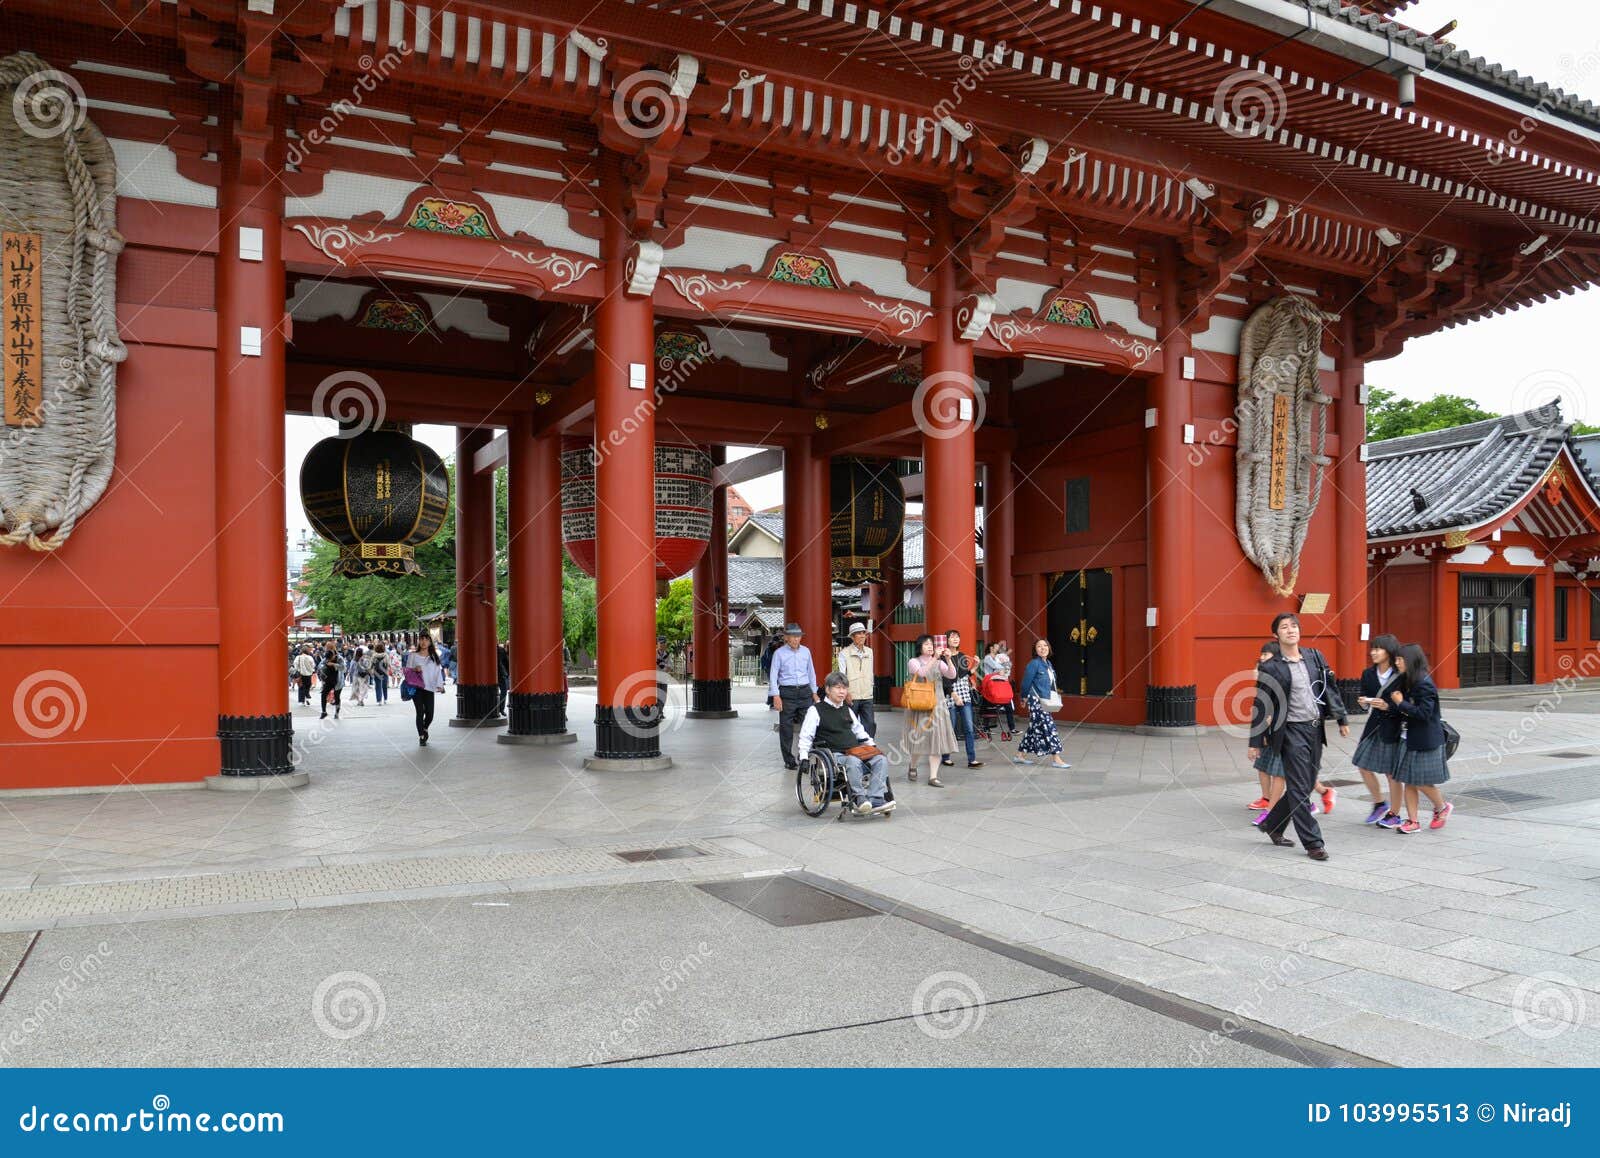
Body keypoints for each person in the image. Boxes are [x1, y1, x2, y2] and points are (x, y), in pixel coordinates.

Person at [1248, 612, 1350, 861]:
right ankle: (1313, 843)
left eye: (1294, 626)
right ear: (1276, 634)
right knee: (1300, 789)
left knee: (1303, 785)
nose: (1291, 630)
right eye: (1284, 627)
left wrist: (1341, 718)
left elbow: (1330, 689)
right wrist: (1255, 741)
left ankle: (1272, 824)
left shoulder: (1315, 657)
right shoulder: (1271, 667)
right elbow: (1261, 704)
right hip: (1290, 731)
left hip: (1315, 729)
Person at [1379, 644, 1454, 834]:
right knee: (1408, 780)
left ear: (1410, 660)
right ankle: (1413, 821)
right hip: (1408, 737)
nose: (1396, 663)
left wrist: (1400, 702)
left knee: (1420, 781)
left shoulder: (1423, 683)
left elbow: (1424, 714)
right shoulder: (1408, 680)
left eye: (1399, 659)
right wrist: (1388, 705)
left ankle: (1442, 806)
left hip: (1424, 739)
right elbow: (1402, 709)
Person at [796, 672, 893, 816]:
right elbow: (806, 736)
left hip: (855, 751)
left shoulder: (847, 710)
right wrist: (804, 757)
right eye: (838, 688)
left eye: (844, 688)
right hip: (834, 755)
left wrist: (872, 746)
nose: (842, 691)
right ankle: (859, 798)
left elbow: (860, 732)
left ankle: (875, 798)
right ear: (828, 689)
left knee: (881, 759)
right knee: (853, 761)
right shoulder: (815, 710)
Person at [1351, 633, 1405, 826]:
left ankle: (1395, 814)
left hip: (1394, 726)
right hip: (1373, 725)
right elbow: (1365, 698)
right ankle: (1379, 803)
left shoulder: (1401, 674)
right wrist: (1364, 703)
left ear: (1389, 651)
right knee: (1362, 764)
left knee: (1391, 773)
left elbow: (1407, 704)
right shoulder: (1368, 673)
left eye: (1377, 649)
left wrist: (1388, 706)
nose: (1372, 652)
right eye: (1372, 649)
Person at [903, 633, 958, 786]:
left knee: (937, 740)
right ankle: (913, 765)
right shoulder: (913, 662)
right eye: (926, 644)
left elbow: (952, 674)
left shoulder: (939, 662)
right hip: (920, 705)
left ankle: (933, 776)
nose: (930, 647)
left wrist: (948, 659)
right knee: (919, 740)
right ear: (919, 646)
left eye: (931, 644)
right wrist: (935, 659)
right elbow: (922, 673)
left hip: (938, 705)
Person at [768, 622, 819, 770]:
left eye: (798, 636)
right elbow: (773, 676)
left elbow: (811, 673)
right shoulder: (779, 653)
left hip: (804, 692)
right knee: (786, 728)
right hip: (787, 692)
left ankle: (805, 758)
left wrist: (814, 692)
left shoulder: (806, 652)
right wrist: (775, 696)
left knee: (809, 726)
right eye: (793, 636)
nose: (796, 639)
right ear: (786, 638)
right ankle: (789, 760)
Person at [1017, 639, 1071, 769]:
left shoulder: (1048, 664)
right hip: (1036, 700)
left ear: (1049, 647)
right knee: (1049, 727)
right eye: (1039, 646)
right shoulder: (1034, 664)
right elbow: (1026, 682)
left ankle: (1020, 755)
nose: (1042, 648)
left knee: (1034, 727)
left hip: (1045, 699)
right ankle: (1056, 758)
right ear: (1035, 650)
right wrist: (1023, 698)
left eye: (1045, 645)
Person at [940, 628, 984, 770]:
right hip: (950, 695)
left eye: (957, 637)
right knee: (950, 728)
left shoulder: (962, 655)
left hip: (964, 694)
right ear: (946, 640)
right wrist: (953, 694)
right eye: (952, 637)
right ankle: (945, 757)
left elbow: (964, 674)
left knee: (969, 729)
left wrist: (976, 665)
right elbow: (945, 679)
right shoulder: (942, 658)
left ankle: (972, 759)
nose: (956, 639)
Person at [837, 621, 877, 739]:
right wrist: (846, 693)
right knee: (850, 724)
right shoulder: (844, 653)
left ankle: (868, 748)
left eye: (863, 633)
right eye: (858, 633)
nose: (861, 636)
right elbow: (841, 675)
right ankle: (851, 747)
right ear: (852, 637)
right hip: (852, 695)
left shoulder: (870, 651)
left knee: (870, 724)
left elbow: (871, 671)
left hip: (867, 694)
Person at [407, 632, 447, 746]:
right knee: (420, 712)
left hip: (429, 687)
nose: (423, 642)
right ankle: (421, 736)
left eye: (426, 639)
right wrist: (414, 669)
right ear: (418, 641)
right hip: (416, 687)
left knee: (430, 713)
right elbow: (407, 672)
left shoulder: (434, 656)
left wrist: (440, 685)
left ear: (430, 642)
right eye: (421, 639)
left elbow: (437, 672)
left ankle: (425, 728)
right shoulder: (412, 656)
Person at [981, 642, 1016, 740]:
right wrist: (1004, 667)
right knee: (989, 705)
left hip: (998, 683)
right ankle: (986, 727)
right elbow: (998, 667)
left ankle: (1012, 727)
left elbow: (1003, 666)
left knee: (1007, 703)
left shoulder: (997, 657)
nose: (998, 647)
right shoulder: (988, 658)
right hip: (990, 683)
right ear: (991, 648)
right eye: (996, 646)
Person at [318, 643, 344, 721]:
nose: (327, 649)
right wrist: (325, 665)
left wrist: (333, 664)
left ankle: (336, 712)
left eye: (329, 648)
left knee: (337, 697)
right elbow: (320, 666)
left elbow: (343, 668)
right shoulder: (326, 657)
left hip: (338, 681)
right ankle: (324, 712)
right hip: (328, 680)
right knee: (323, 694)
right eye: (327, 648)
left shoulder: (339, 658)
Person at [496, 642, 511, 718]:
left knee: (502, 691)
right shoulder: (501, 650)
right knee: (503, 691)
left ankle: (498, 709)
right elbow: (506, 662)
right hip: (501, 674)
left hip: (495, 674)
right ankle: (501, 709)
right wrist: (508, 673)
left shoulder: (485, 650)